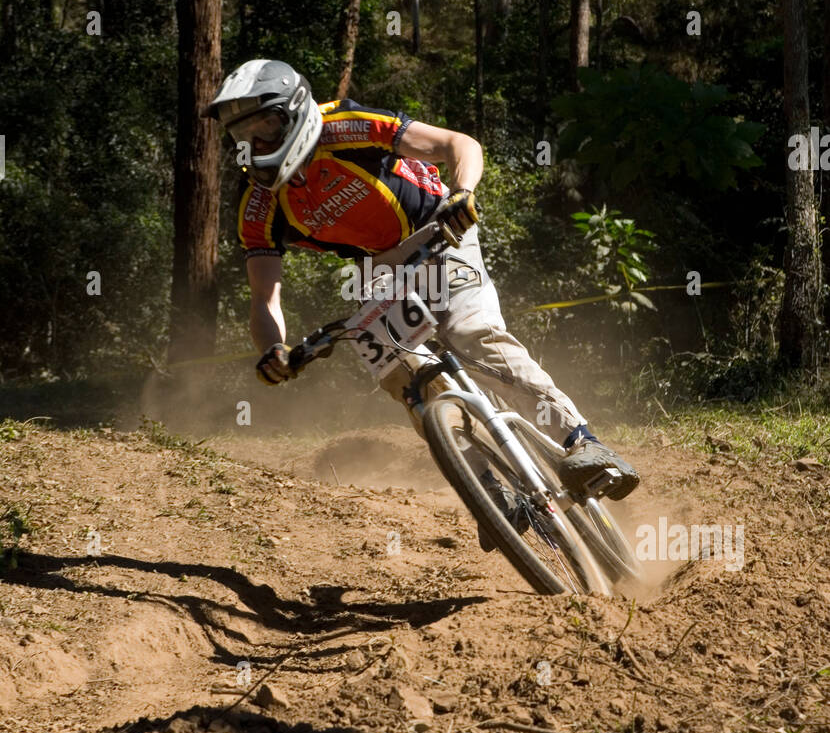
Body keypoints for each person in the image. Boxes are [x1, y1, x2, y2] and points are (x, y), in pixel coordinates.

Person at [207, 58, 639, 544]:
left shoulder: (344, 126)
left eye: (263, 125)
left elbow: (459, 144)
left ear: (292, 112)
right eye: (242, 133)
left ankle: (582, 441)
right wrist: (275, 352)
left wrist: (464, 193)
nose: (256, 142)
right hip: (379, 267)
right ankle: (487, 492)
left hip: (440, 226)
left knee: (474, 335)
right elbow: (265, 297)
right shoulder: (258, 205)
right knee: (406, 381)